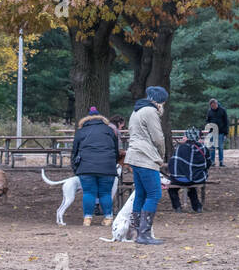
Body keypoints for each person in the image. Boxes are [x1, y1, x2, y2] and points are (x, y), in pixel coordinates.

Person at [124, 86, 168, 244]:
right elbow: (158, 137)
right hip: (146, 157)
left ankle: (134, 231)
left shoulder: (136, 111)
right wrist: (161, 156)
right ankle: (144, 234)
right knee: (155, 194)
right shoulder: (150, 111)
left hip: (135, 155)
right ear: (160, 101)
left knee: (141, 194)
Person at [71, 108, 121, 227]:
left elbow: (74, 151)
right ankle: (108, 218)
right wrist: (112, 163)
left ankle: (87, 218)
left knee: (88, 193)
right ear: (101, 118)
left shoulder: (81, 131)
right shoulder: (109, 130)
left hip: (86, 166)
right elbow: (116, 150)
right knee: (105, 193)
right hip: (107, 167)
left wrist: (75, 168)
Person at [168, 127, 210, 213]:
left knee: (172, 189)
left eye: (184, 136)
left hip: (178, 179)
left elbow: (173, 164)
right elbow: (208, 163)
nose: (183, 138)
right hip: (196, 178)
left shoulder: (180, 148)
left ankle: (177, 207)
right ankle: (197, 207)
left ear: (187, 137)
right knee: (191, 186)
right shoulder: (203, 148)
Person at [205, 98, 230, 167]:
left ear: (216, 104)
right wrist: (209, 127)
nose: (213, 107)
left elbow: (226, 122)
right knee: (212, 148)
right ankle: (212, 161)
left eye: (214, 105)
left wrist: (226, 132)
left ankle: (221, 162)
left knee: (220, 147)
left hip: (221, 132)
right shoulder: (209, 111)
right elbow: (207, 121)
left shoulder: (222, 110)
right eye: (211, 106)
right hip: (212, 132)